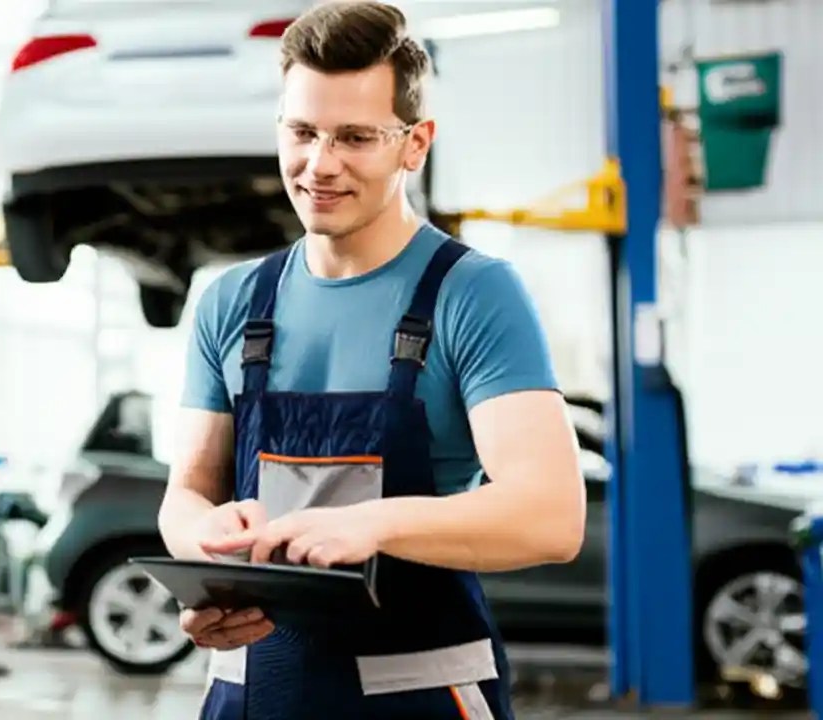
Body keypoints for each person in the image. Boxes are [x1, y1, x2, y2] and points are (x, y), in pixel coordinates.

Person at [156, 3, 586, 718]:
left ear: (415, 144)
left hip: (418, 696)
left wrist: (373, 525)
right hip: (251, 692)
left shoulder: (474, 295)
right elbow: (185, 497)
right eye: (302, 132)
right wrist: (208, 562)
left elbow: (550, 516)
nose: (320, 165)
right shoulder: (230, 301)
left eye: (355, 137)